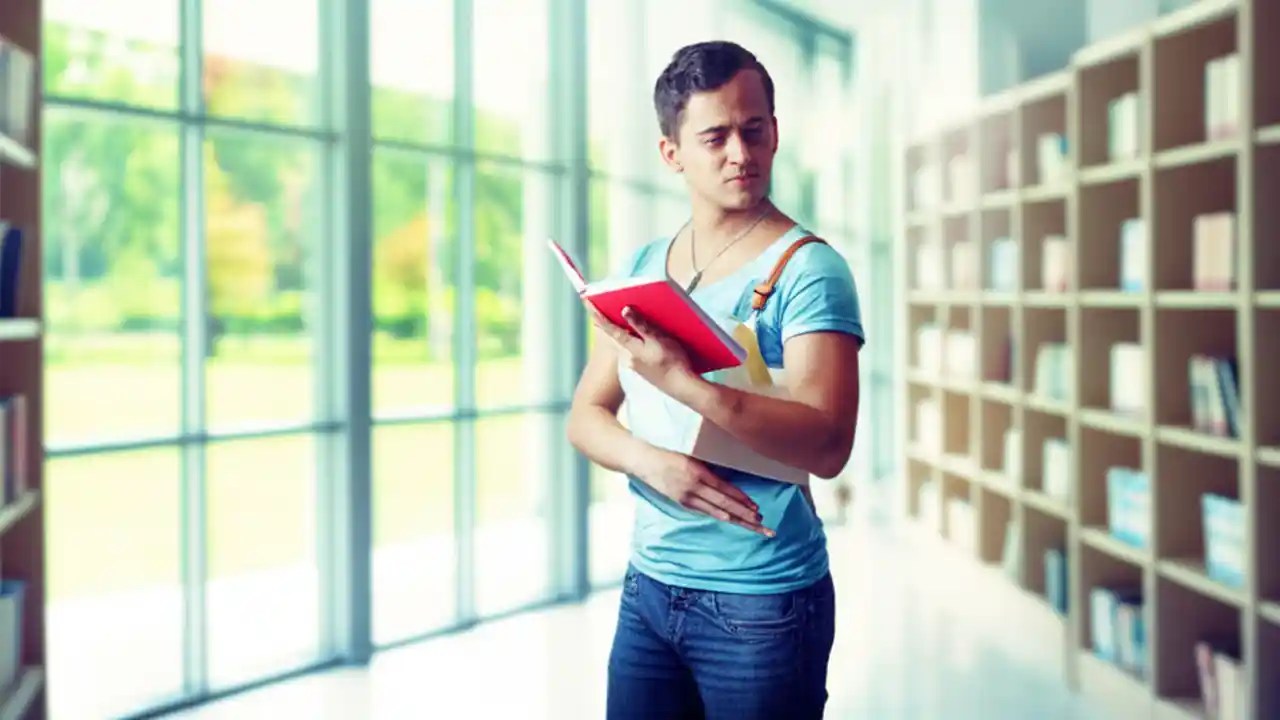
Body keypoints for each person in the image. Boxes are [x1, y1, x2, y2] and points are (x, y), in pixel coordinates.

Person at [566, 39, 865, 720]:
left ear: (776, 131)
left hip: (761, 603)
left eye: (754, 129)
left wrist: (687, 384)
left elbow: (828, 445)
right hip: (649, 590)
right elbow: (586, 415)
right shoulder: (648, 263)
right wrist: (656, 466)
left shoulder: (809, 270)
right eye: (716, 136)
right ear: (672, 153)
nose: (741, 152)